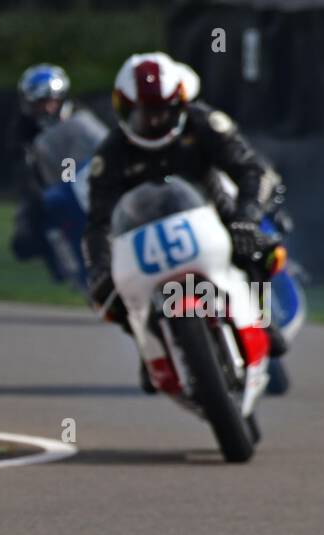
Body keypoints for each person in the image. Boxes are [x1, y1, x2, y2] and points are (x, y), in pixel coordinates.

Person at [82, 52, 287, 368]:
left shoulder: (203, 123)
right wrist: (100, 268)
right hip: (144, 238)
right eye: (143, 114)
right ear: (123, 110)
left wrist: (246, 218)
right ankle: (149, 348)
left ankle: (261, 316)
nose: (154, 121)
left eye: (162, 111)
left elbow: (252, 169)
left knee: (259, 250)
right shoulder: (110, 156)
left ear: (179, 105)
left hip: (213, 214)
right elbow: (99, 222)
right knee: (109, 298)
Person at [9, 64, 74, 265]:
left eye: (49, 102)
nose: (45, 108)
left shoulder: (77, 118)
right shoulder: (23, 127)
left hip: (77, 180)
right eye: (39, 103)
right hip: (45, 186)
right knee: (24, 241)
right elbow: (22, 167)